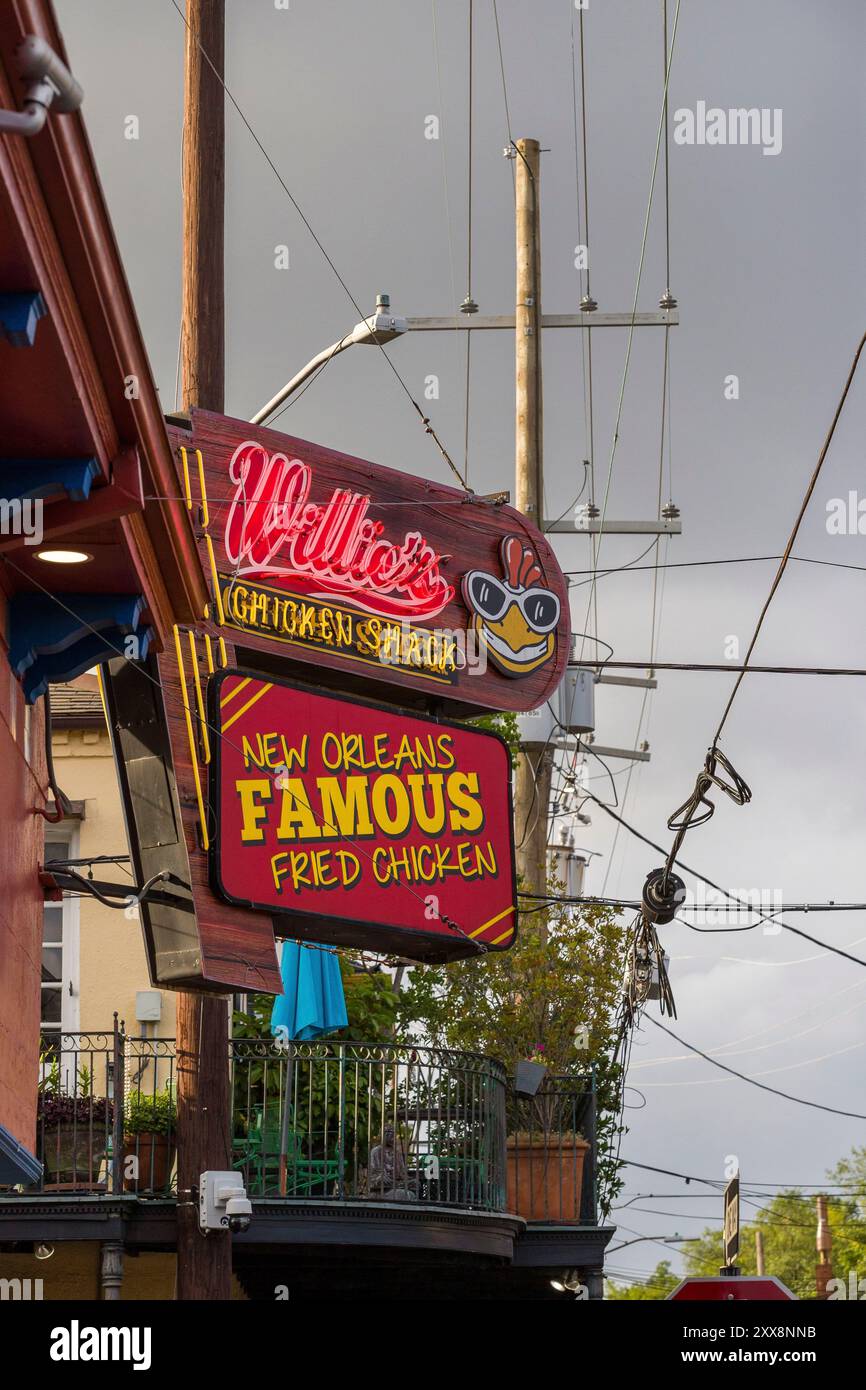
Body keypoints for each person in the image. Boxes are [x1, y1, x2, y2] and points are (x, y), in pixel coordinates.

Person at [366, 1125, 416, 1201]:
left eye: (392, 1133)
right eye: (387, 1132)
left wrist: (407, 1179)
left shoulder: (397, 1153)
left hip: (396, 1184)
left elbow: (402, 1173)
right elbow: (376, 1172)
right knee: (384, 1179)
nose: (390, 1135)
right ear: (381, 1135)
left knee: (415, 1183)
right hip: (383, 1187)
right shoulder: (376, 1151)